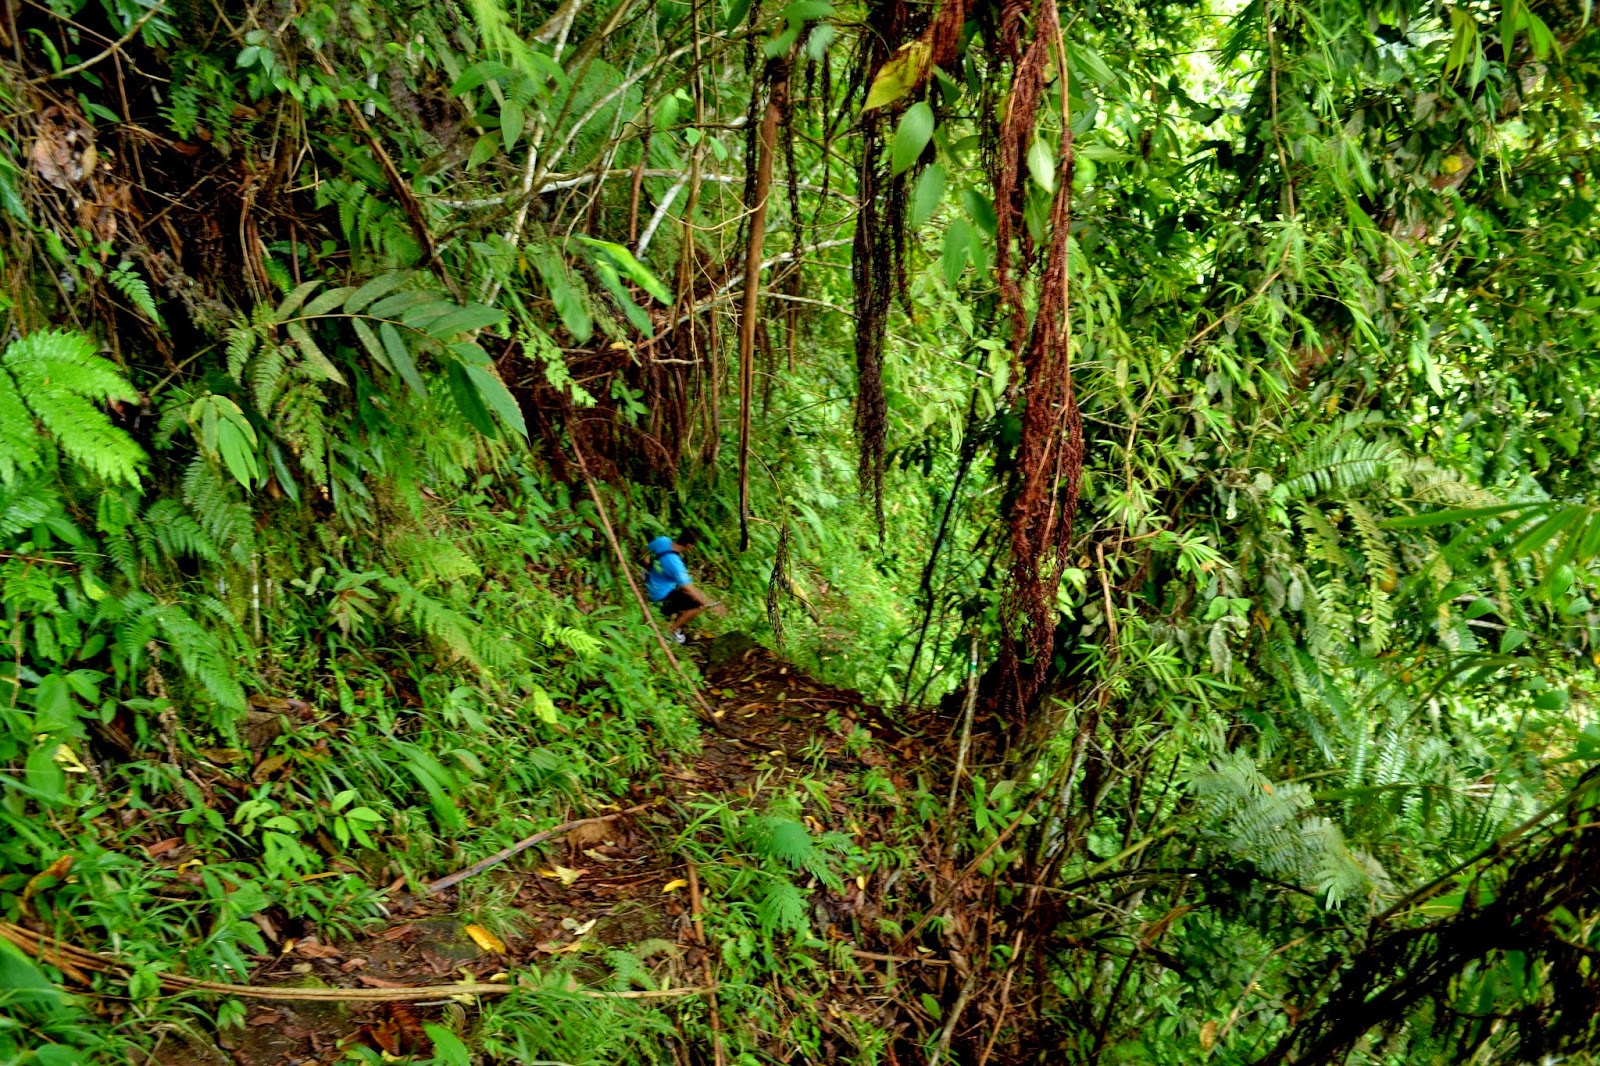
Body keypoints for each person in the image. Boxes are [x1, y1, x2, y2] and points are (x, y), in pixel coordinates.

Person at [643, 535, 726, 642]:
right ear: (689, 546)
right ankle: (671, 630)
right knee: (698, 605)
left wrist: (648, 567)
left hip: (648, 581)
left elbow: (644, 552)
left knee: (688, 593)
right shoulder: (676, 565)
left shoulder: (662, 541)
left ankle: (670, 616)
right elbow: (689, 589)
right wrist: (707, 604)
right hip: (658, 593)